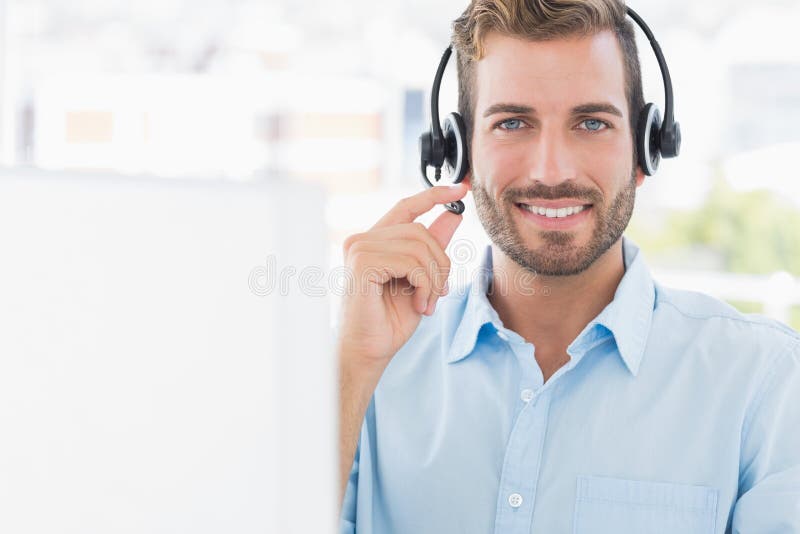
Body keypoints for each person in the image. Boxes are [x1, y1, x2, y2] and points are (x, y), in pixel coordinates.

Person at [336, 0, 800, 532]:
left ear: (645, 148)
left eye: (592, 123)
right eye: (512, 123)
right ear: (458, 151)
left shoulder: (764, 384)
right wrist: (352, 370)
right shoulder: (368, 372)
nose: (552, 171)